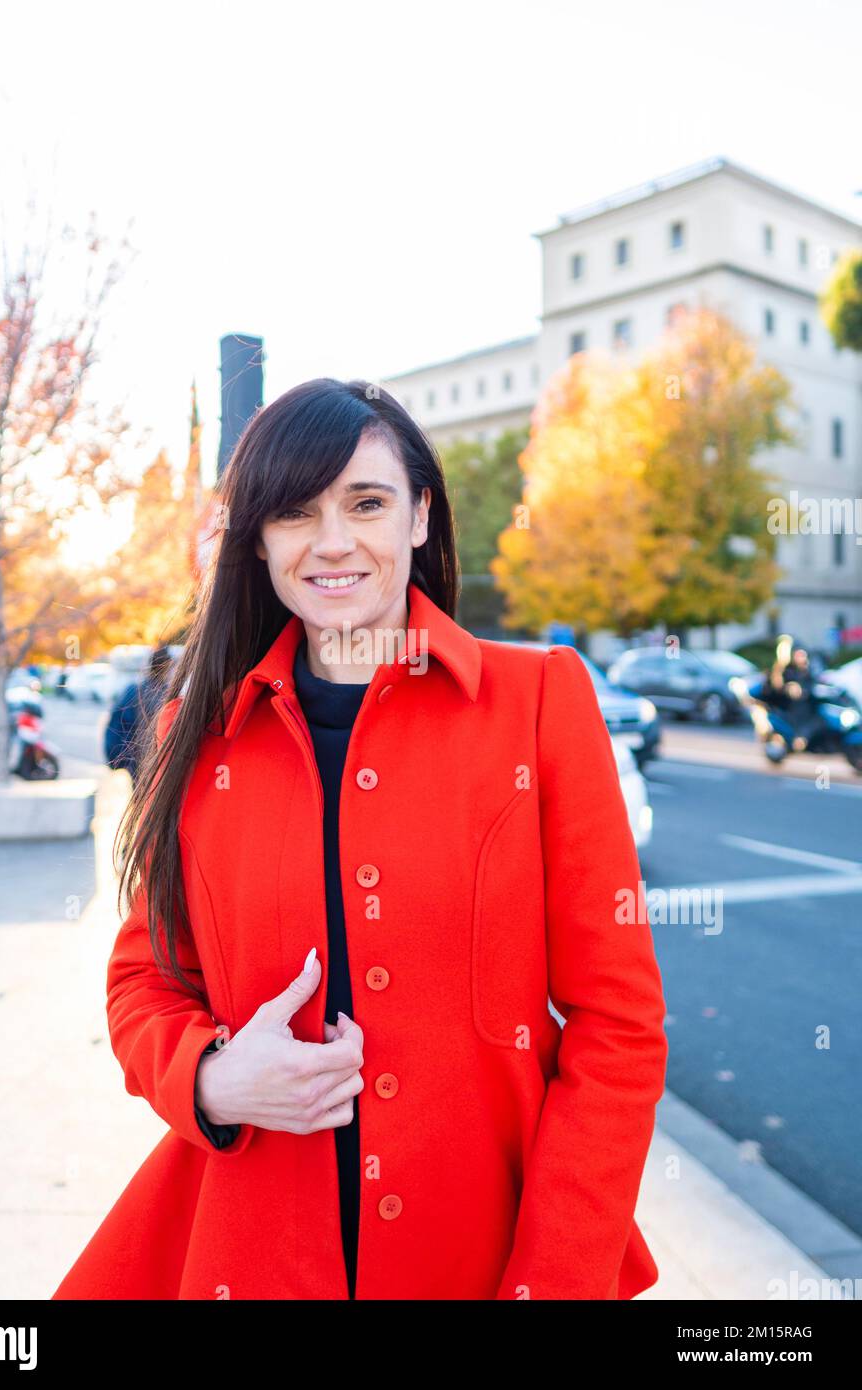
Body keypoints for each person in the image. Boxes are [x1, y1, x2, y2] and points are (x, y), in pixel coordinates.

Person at [52, 378, 669, 1302]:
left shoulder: (540, 700)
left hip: (488, 1256)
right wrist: (212, 1082)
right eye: (295, 512)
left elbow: (617, 1027)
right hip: (247, 1250)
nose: (332, 541)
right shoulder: (198, 728)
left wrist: (554, 1283)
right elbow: (144, 981)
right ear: (258, 542)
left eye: (367, 503)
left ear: (420, 516)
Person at [103, 645, 174, 785]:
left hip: (136, 762)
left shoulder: (134, 691)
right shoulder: (169, 695)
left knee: (139, 800)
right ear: (167, 667)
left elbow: (117, 724)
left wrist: (122, 758)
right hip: (161, 763)